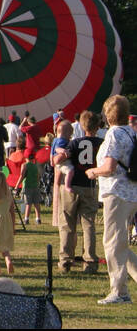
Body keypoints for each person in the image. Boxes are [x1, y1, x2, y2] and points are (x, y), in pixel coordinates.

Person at [86, 95, 137, 305]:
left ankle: (119, 291)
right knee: (121, 242)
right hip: (131, 192)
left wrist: (93, 172)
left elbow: (109, 167)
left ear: (108, 115)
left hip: (116, 192)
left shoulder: (114, 134)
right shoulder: (130, 133)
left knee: (113, 242)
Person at [54, 110, 101, 274]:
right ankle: (90, 261)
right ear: (98, 125)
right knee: (88, 225)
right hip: (89, 185)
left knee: (67, 223)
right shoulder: (101, 143)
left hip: (72, 186)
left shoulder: (75, 143)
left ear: (81, 125)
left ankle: (65, 260)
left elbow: (57, 161)